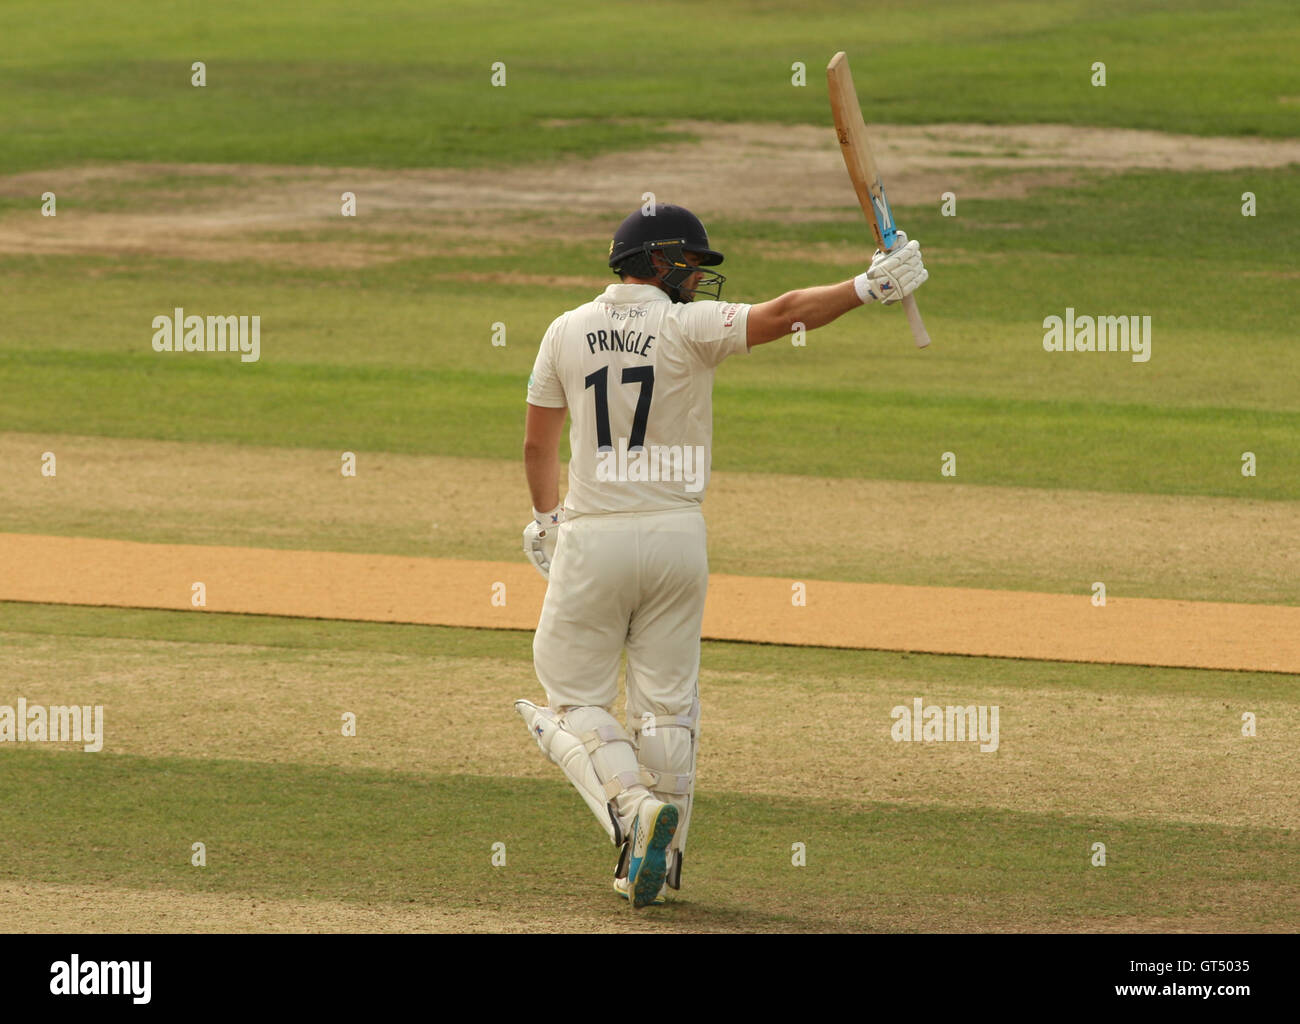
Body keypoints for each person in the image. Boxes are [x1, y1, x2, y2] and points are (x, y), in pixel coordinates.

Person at [514, 202, 927, 908]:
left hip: (593, 536)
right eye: (691, 266)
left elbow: (537, 444)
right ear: (656, 263)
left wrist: (546, 518)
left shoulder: (565, 331)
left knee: (570, 702)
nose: (698, 279)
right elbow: (784, 312)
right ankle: (658, 861)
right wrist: (865, 287)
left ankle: (633, 811)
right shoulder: (685, 329)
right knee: (668, 709)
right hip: (678, 539)